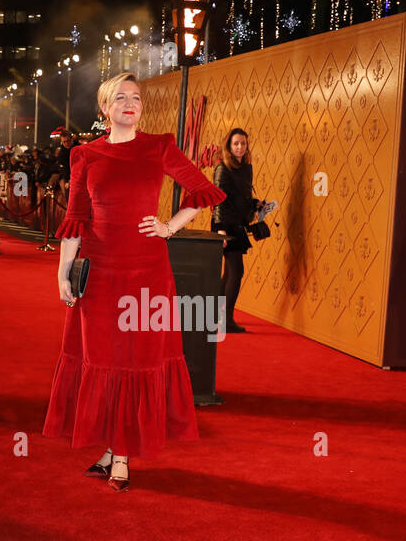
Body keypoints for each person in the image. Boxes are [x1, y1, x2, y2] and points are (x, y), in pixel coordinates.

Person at [42, 72, 226, 491]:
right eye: (120, 98)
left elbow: (201, 191)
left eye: (136, 98)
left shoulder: (158, 147)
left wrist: (169, 226)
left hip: (146, 271)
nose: (131, 103)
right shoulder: (85, 155)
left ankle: (120, 454)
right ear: (105, 108)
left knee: (133, 359)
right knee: (103, 359)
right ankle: (110, 448)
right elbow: (76, 219)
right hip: (101, 270)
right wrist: (62, 272)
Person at [212, 127, 258, 333]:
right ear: (229, 146)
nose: (240, 147)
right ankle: (226, 320)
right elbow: (219, 201)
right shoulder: (223, 168)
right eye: (236, 143)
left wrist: (257, 206)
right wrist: (221, 231)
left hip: (238, 225)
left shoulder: (246, 168)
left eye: (243, 143)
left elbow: (243, 197)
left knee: (229, 272)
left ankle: (215, 316)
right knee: (236, 271)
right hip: (225, 226)